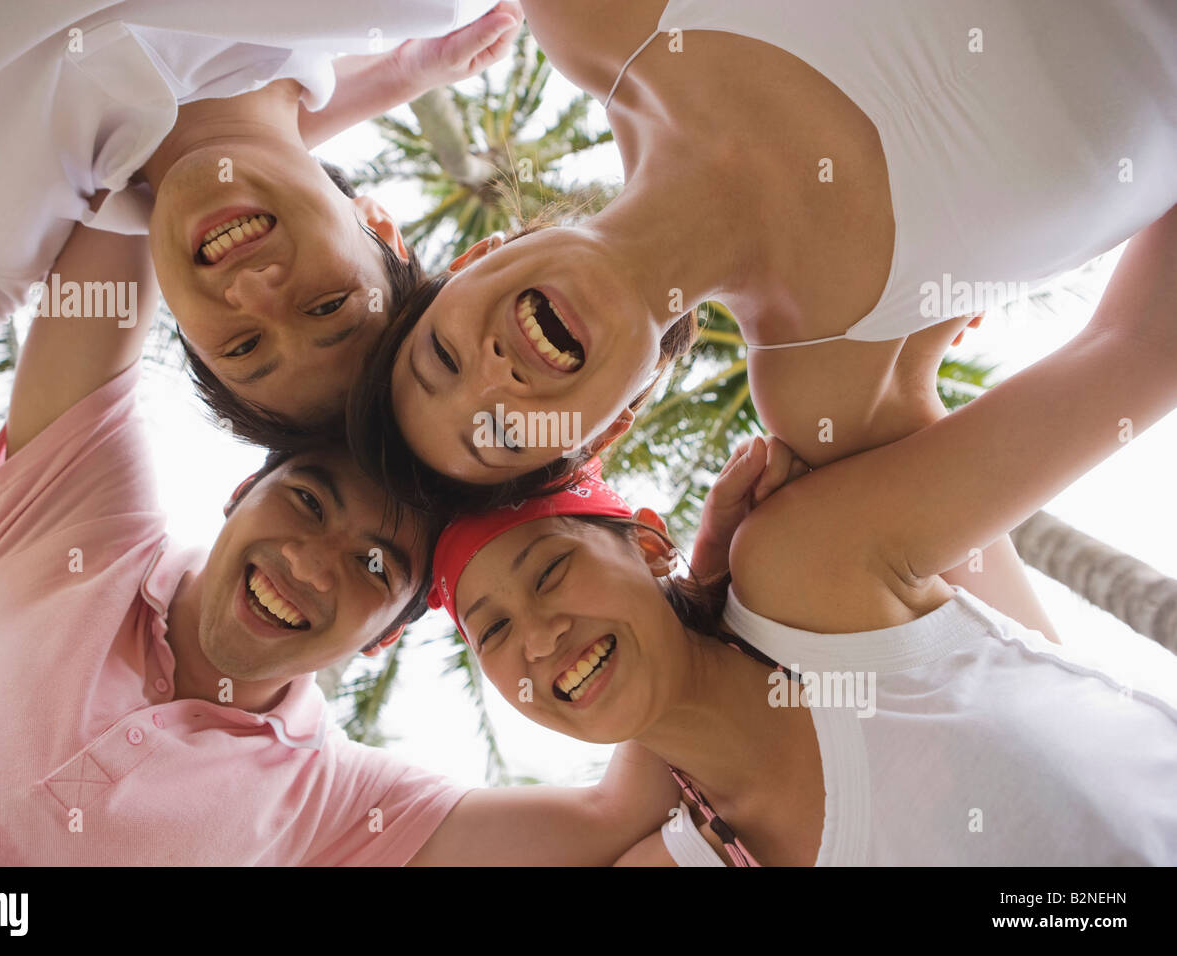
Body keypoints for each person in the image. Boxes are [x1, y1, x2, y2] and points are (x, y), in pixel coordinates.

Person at [348, 0, 1177, 631]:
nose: (492, 374)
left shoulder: (599, 16)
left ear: (476, 258)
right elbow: (1143, 346)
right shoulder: (837, 382)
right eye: (497, 437)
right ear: (601, 433)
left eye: (443, 360)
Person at [0, 221, 680, 865]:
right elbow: (124, 199)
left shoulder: (334, 806)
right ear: (237, 496)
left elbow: (618, 815)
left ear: (382, 641)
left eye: (375, 566)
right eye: (304, 502)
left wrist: (712, 566)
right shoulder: (81, 528)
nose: (307, 562)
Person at [424, 204, 1177, 865]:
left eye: (550, 572)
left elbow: (1136, 346)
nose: (540, 636)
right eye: (490, 632)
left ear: (652, 548)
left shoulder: (804, 574)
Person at [0, 0, 521, 565]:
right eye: (326, 306)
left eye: (242, 348)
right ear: (378, 223)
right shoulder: (407, 9)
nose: (253, 292)